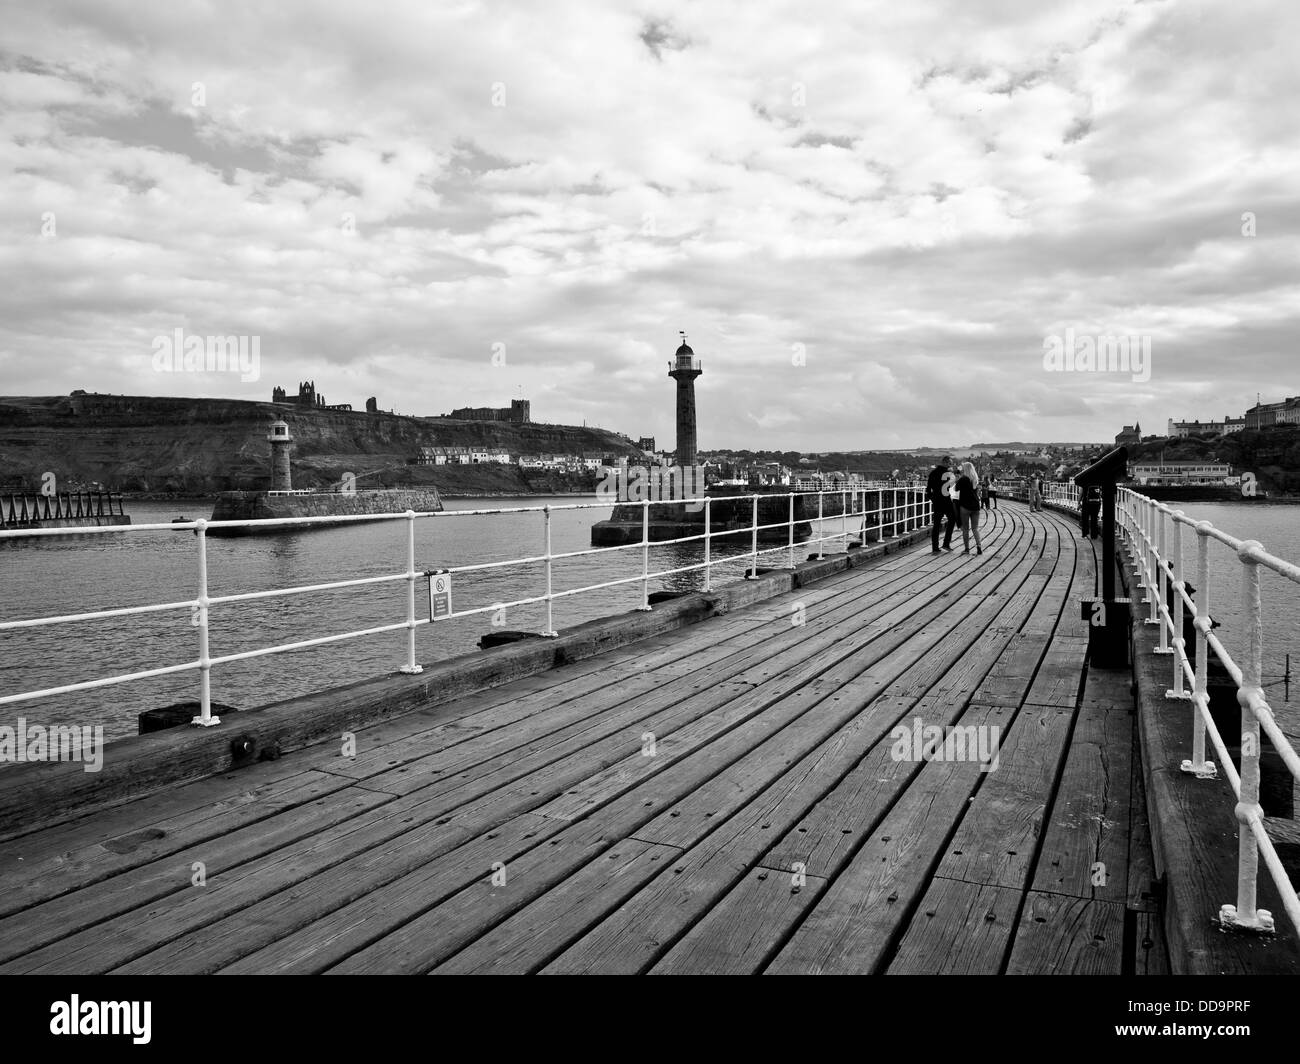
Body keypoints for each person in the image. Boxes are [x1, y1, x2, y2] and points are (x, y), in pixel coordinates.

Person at [925, 455, 957, 554]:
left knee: (936, 524)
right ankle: (946, 543)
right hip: (946, 500)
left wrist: (932, 498)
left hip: (937, 501)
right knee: (952, 519)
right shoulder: (948, 473)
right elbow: (952, 486)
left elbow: (928, 489)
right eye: (950, 463)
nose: (950, 465)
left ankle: (935, 547)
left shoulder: (933, 473)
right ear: (945, 463)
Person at [955, 461, 983, 555]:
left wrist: (958, 478)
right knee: (975, 528)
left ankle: (967, 549)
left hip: (965, 506)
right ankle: (979, 546)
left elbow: (956, 489)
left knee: (966, 529)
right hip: (975, 506)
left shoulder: (963, 479)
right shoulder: (975, 479)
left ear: (965, 469)